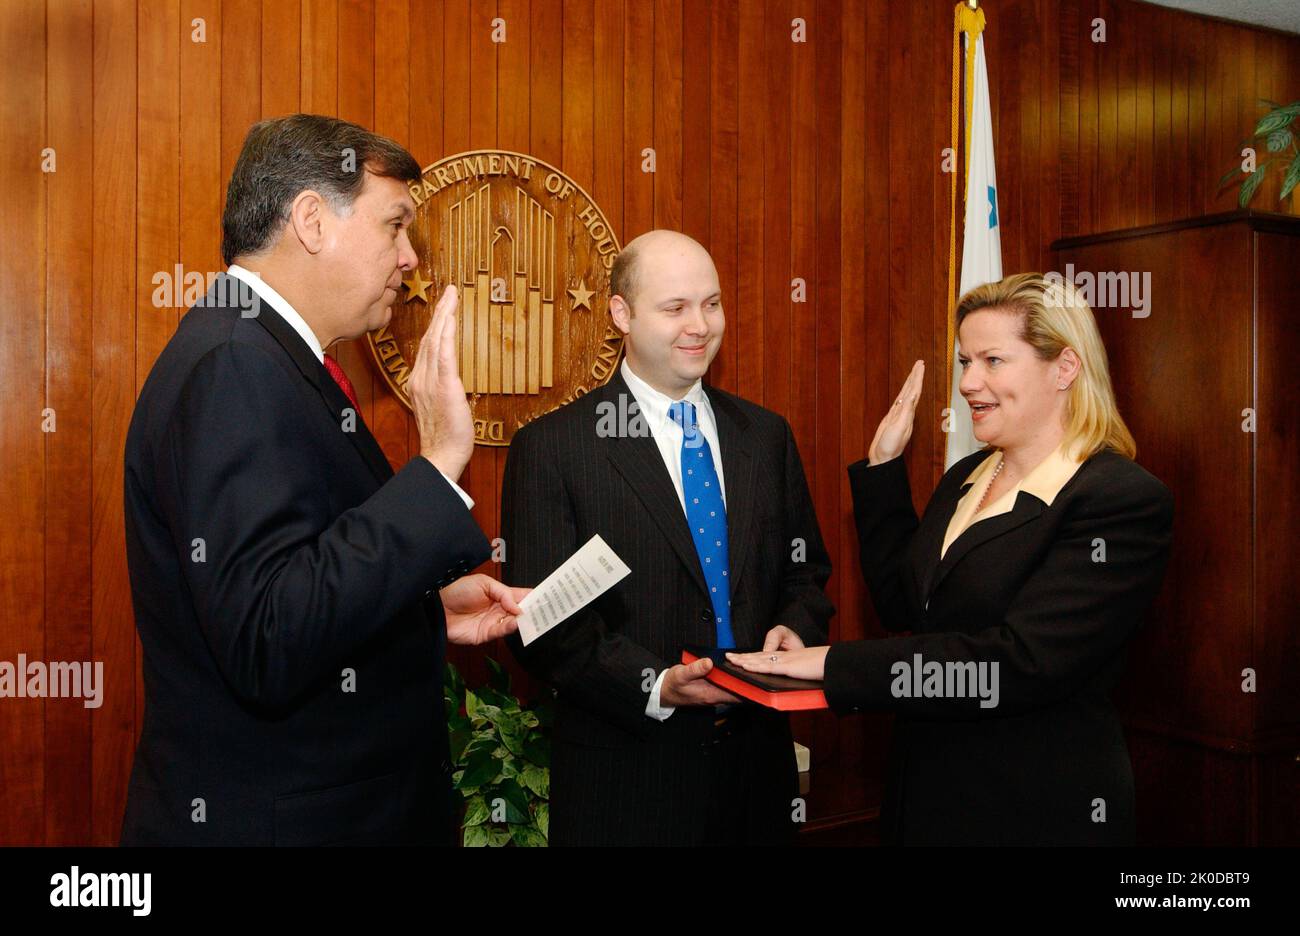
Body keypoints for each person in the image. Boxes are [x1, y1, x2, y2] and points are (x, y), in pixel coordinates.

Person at [121, 114, 525, 846]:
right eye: (395, 225)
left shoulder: (260, 351)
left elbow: (300, 580)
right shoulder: (236, 365)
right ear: (311, 219)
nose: (409, 258)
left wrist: (422, 606)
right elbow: (267, 640)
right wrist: (437, 464)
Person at [728, 272, 1174, 845]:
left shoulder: (1119, 498)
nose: (967, 382)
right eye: (965, 361)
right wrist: (885, 470)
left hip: (1034, 807)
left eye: (992, 361)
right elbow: (904, 607)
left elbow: (1015, 663)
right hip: (926, 793)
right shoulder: (969, 475)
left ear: (1064, 368)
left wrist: (830, 664)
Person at [500, 230, 834, 845]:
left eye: (712, 304)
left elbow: (805, 572)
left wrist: (797, 626)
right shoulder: (554, 448)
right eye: (675, 307)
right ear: (621, 314)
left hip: (756, 778)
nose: (700, 325)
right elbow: (543, 625)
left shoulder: (764, 436)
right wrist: (654, 684)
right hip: (628, 779)